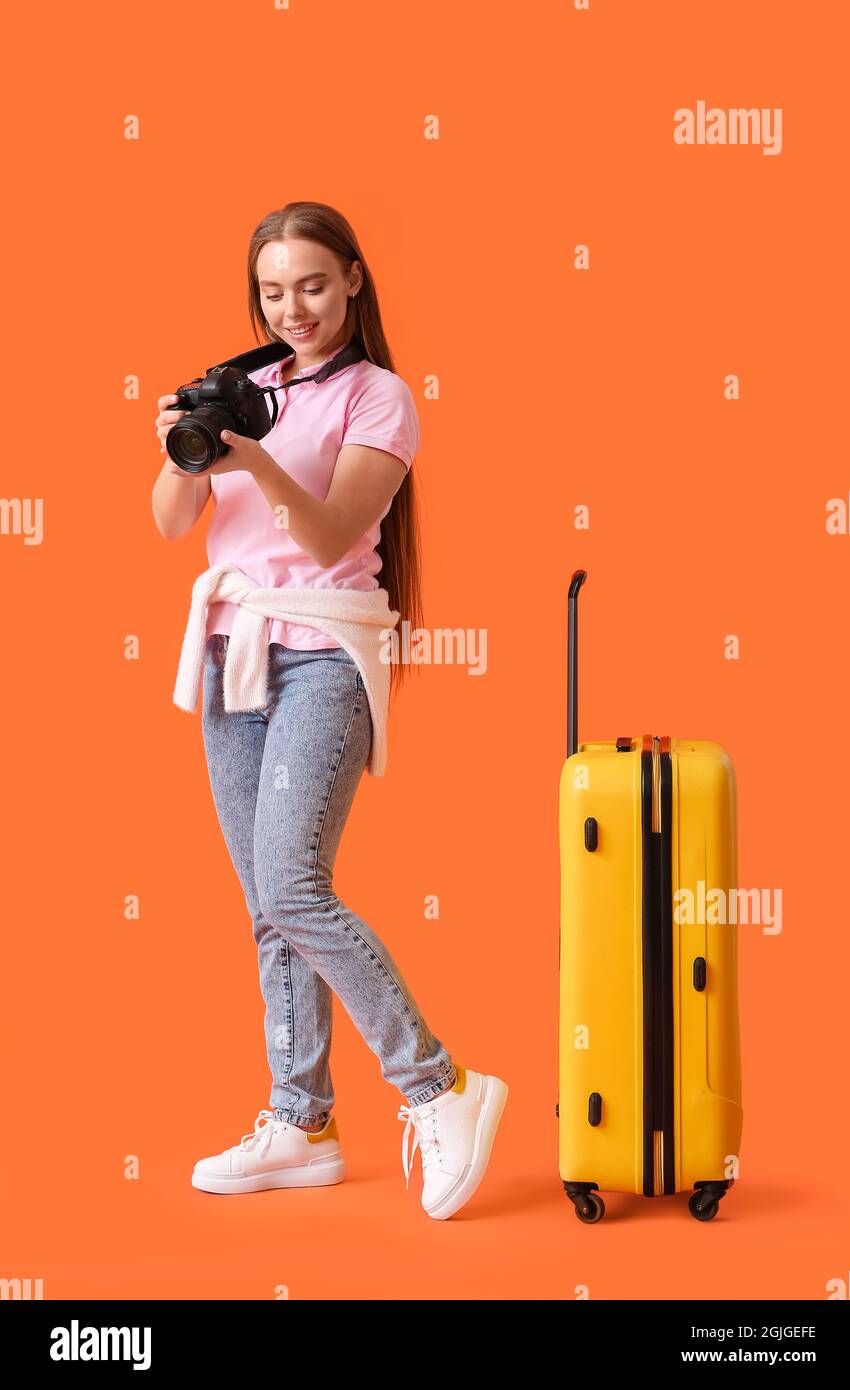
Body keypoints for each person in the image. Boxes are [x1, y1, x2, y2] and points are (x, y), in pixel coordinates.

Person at [151, 201, 508, 1220]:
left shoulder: (379, 397)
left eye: (312, 284)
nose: (293, 307)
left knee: (297, 887)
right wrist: (179, 442)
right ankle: (300, 1120)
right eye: (272, 291)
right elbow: (172, 520)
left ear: (352, 277)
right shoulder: (246, 388)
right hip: (232, 654)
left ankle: (441, 1086)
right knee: (267, 904)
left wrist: (253, 462)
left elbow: (329, 531)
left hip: (323, 652)